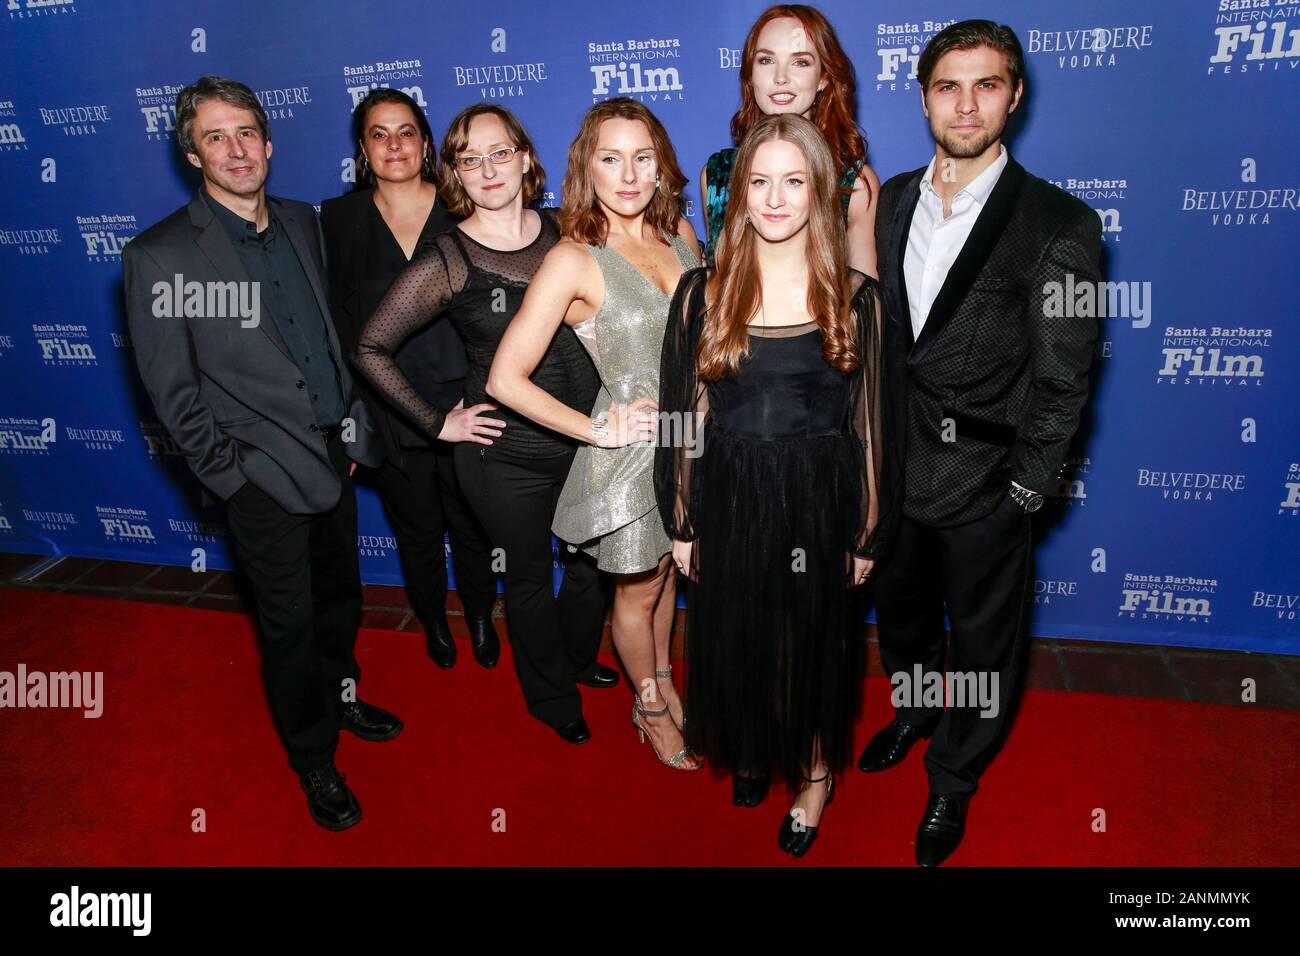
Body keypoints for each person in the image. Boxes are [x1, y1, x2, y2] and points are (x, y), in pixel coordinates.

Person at [122, 76, 401, 832]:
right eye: (215, 137)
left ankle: (342, 701)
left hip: (332, 456)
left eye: (246, 132)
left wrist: (349, 434)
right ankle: (313, 757)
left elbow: (330, 337)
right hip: (259, 477)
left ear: (269, 144)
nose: (235, 149)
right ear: (192, 155)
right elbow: (173, 394)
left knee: (340, 601)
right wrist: (234, 481)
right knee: (287, 624)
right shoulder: (159, 257)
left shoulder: (308, 222)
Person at [864, 20, 1103, 867]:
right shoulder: (889, 199)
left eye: (986, 84)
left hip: (986, 482)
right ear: (923, 94)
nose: (965, 104)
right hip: (892, 471)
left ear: (1015, 95)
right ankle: (917, 706)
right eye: (947, 86)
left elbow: (1066, 377)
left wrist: (1027, 489)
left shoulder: (1061, 223)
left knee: (983, 643)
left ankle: (953, 779)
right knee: (901, 620)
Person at [656, 114, 888, 857]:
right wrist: (682, 517)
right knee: (738, 628)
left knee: (810, 639)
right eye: (760, 181)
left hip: (820, 498)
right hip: (727, 492)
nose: (776, 197)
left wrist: (866, 535)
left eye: (794, 180)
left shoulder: (857, 300)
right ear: (739, 191)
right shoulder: (702, 292)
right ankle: (754, 744)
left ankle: (816, 772)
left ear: (820, 190)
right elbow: (681, 413)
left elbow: (872, 426)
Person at [354, 104, 616, 746]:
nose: (488, 169)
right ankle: (550, 695)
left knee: (590, 566)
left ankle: (579, 658)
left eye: (500, 152)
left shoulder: (571, 233)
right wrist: (437, 423)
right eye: (470, 158)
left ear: (526, 159)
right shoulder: (448, 259)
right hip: (506, 455)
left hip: (586, 442)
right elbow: (369, 349)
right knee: (526, 577)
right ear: (456, 176)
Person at [487, 98, 702, 770]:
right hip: (635, 457)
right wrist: (595, 431)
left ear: (662, 165)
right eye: (611, 158)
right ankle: (652, 706)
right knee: (635, 592)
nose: (630, 174)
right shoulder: (573, 259)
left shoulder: (683, 235)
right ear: (588, 168)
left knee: (668, 576)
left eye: (643, 157)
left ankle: (663, 678)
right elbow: (505, 378)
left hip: (695, 444)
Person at [320, 88, 499, 671]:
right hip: (391, 413)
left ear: (426, 145)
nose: (394, 144)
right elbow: (338, 326)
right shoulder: (340, 221)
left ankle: (477, 615)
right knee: (416, 533)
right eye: (379, 133)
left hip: (470, 404)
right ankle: (432, 623)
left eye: (406, 132)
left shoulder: (465, 210)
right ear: (362, 149)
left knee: (473, 528)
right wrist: (349, 420)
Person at [700, 3, 880, 276]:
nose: (781, 77)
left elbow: (866, 300)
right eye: (766, 60)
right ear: (750, 75)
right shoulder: (718, 174)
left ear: (824, 78)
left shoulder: (853, 184)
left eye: (800, 62)